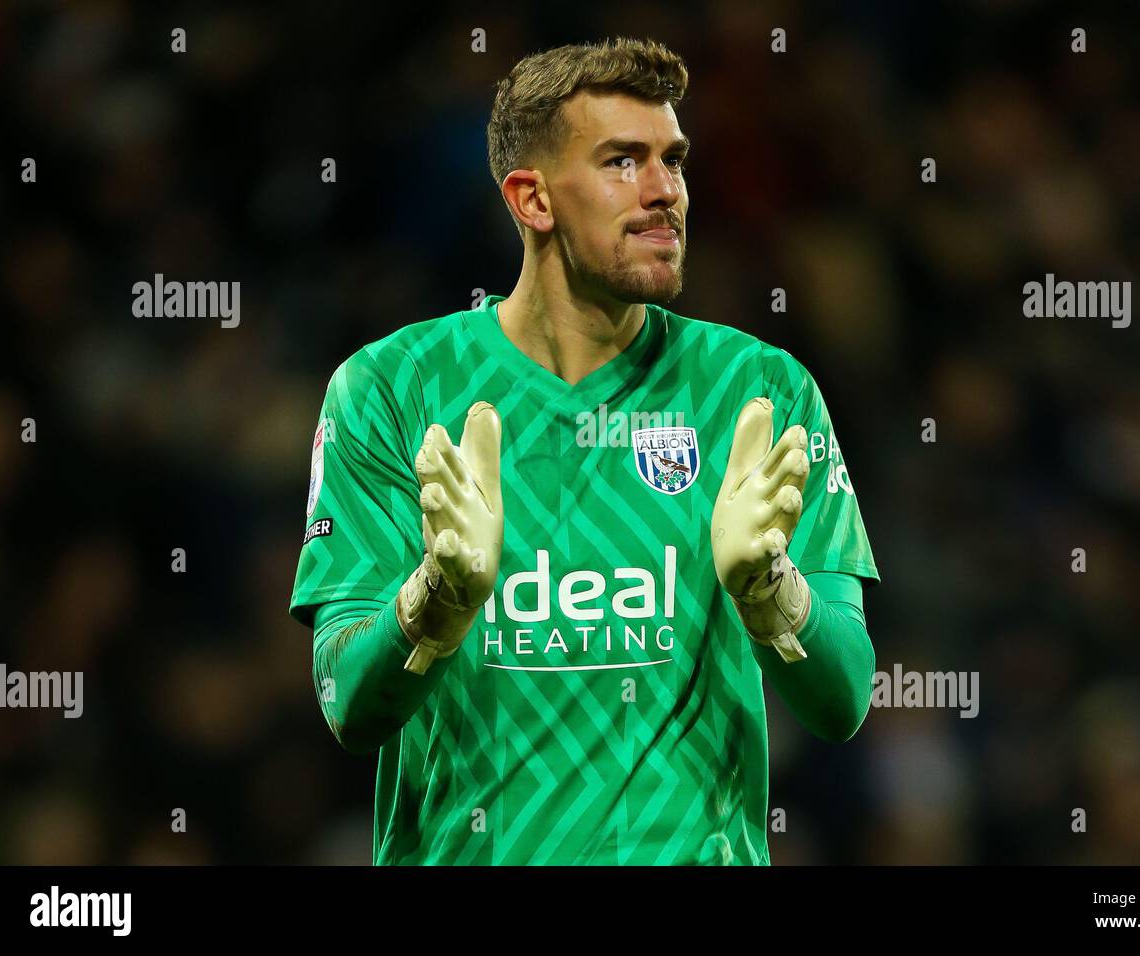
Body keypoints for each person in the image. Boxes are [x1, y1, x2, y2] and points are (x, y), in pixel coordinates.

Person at [289, 37, 879, 865]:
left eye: (673, 161)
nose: (664, 191)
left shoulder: (759, 391)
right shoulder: (390, 390)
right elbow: (350, 705)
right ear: (532, 200)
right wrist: (437, 601)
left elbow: (846, 697)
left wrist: (769, 593)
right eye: (621, 162)